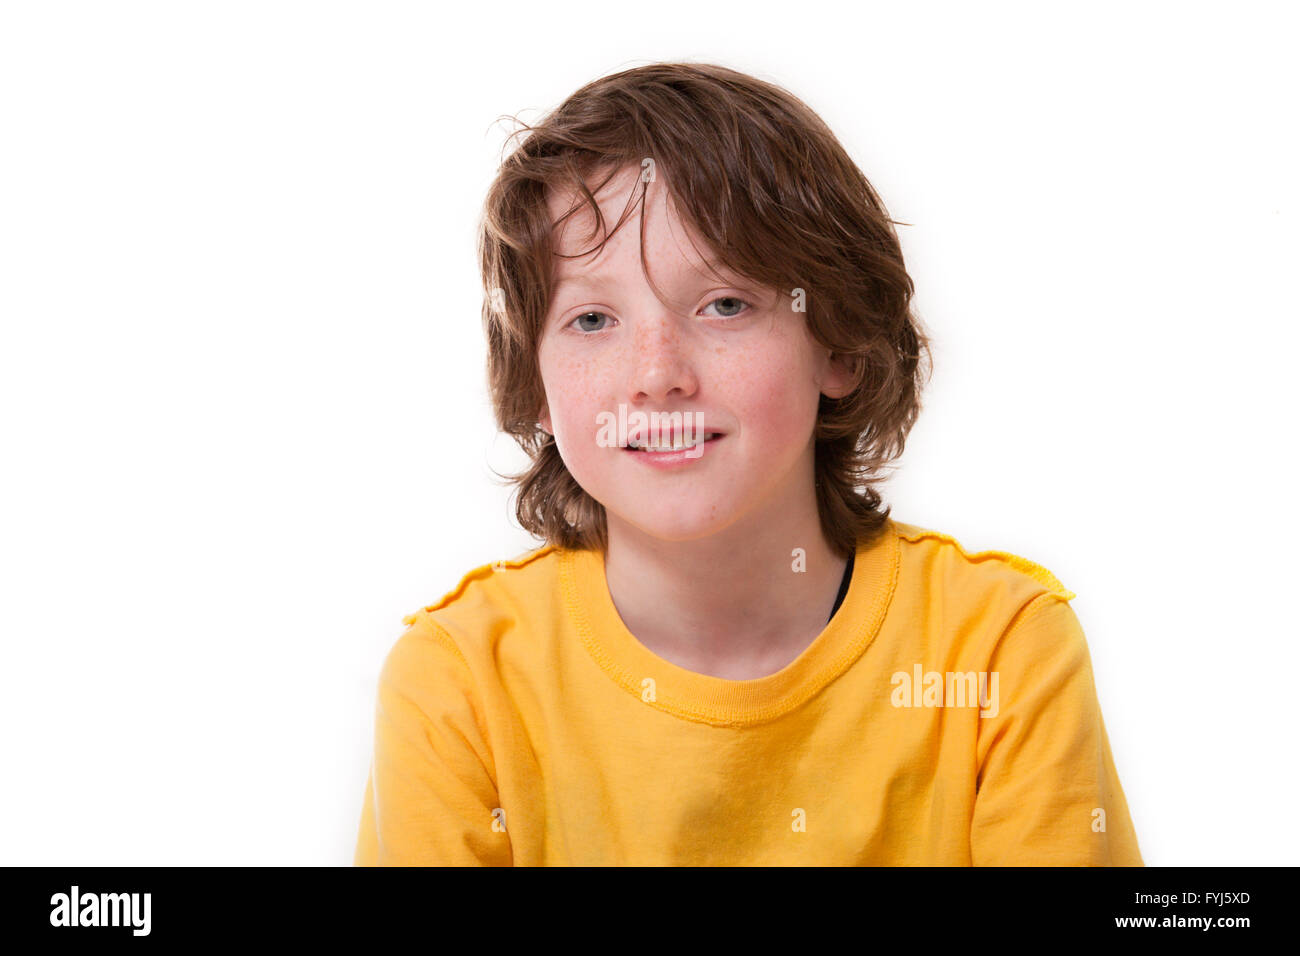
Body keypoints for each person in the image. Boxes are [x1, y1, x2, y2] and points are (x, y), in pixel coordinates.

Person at [353, 62, 1142, 865]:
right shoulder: (457, 684)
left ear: (837, 343)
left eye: (724, 304)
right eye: (593, 318)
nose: (657, 373)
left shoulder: (1000, 650)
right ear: (539, 389)